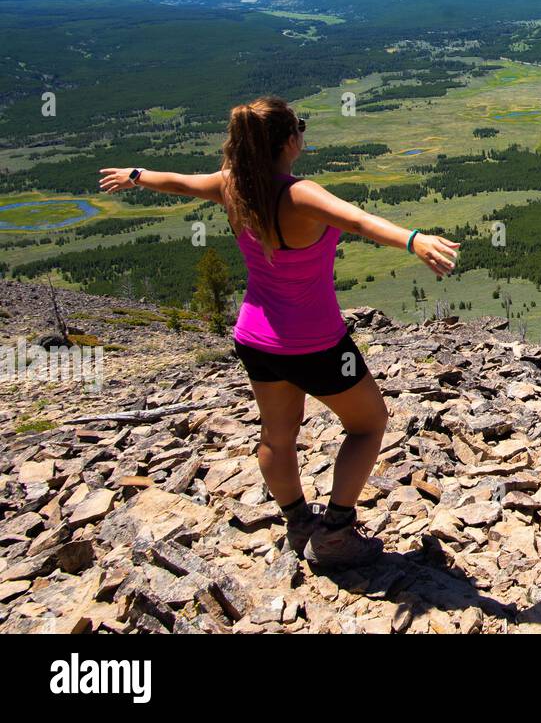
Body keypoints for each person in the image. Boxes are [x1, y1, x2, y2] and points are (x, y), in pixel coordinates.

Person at [99, 96, 460, 569]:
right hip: (317, 342)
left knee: (277, 434)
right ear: (290, 140)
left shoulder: (232, 185)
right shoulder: (299, 194)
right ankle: (335, 531)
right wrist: (416, 240)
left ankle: (298, 521)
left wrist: (137, 175)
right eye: (301, 127)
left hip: (255, 339)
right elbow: (358, 221)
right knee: (369, 423)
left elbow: (181, 184)